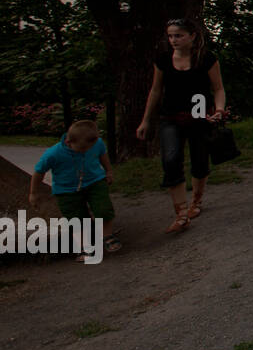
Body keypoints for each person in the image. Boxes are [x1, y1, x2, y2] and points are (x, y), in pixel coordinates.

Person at [136, 18, 227, 233]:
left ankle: (196, 201)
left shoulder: (206, 59)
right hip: (171, 117)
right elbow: (156, 90)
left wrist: (219, 110)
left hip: (199, 116)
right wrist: (146, 120)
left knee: (199, 160)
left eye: (178, 35)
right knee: (170, 158)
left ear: (192, 36)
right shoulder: (163, 60)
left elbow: (218, 89)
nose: (174, 40)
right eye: (170, 36)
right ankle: (181, 212)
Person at [29, 118, 122, 258]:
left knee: (103, 209)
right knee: (75, 218)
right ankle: (85, 246)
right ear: (68, 142)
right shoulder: (53, 154)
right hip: (66, 190)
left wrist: (108, 171)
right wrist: (33, 193)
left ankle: (107, 236)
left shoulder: (96, 143)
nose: (87, 151)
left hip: (95, 182)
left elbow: (102, 154)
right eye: (83, 149)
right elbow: (38, 172)